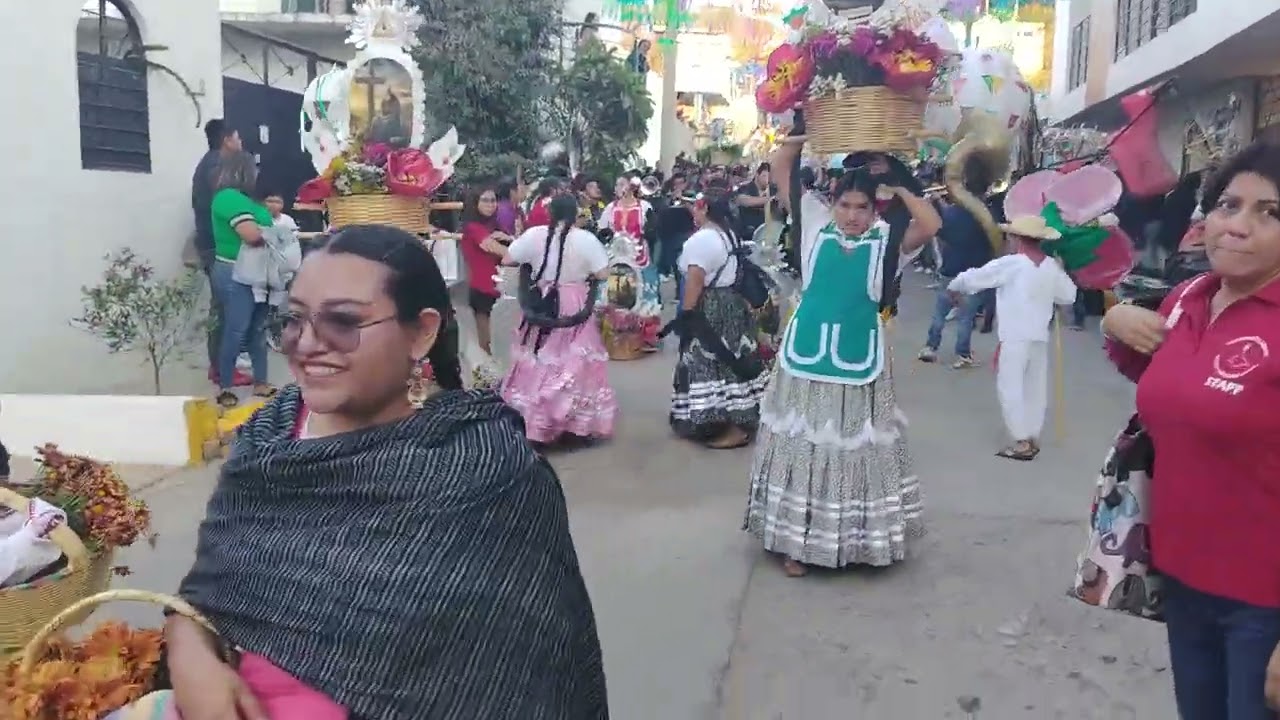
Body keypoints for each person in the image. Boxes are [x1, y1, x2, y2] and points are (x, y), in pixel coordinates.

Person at [163, 224, 608, 720]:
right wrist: (190, 652)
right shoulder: (268, 439)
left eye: (343, 322)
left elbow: (524, 676)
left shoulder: (485, 472)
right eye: (294, 320)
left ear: (421, 332)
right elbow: (209, 595)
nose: (306, 345)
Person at [1102, 142, 1280, 720]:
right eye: (1230, 205)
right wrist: (1116, 319)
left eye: (1270, 212)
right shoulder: (1188, 299)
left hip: (1265, 601)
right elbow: (1161, 386)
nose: (1238, 226)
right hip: (1184, 576)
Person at [744, 132, 941, 578]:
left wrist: (900, 182)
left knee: (854, 447)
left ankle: (852, 542)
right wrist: (802, 127)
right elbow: (781, 167)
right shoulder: (813, 223)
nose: (852, 216)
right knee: (804, 442)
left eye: (862, 208)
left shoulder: (889, 241)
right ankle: (794, 542)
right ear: (832, 203)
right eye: (845, 206)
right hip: (806, 360)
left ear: (876, 209)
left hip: (859, 364)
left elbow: (930, 225)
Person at [948, 215, 1076, 461]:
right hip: (1039, 335)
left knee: (1011, 387)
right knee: (1035, 387)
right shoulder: (1051, 266)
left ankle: (1021, 440)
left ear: (1016, 238)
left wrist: (955, 285)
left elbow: (976, 277)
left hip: (1015, 335)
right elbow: (1068, 296)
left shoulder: (1012, 264)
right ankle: (1031, 434)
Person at [500, 195, 617, 444]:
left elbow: (508, 259)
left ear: (550, 213)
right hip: (573, 301)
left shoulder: (534, 235)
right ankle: (571, 422)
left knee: (538, 357)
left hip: (541, 300)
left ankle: (536, 421)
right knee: (574, 360)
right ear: (575, 214)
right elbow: (602, 273)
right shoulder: (586, 240)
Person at [669, 191, 769, 448]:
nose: (692, 212)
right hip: (731, 303)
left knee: (709, 361)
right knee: (732, 359)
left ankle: (727, 426)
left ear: (703, 208)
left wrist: (687, 314)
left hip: (710, 306)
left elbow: (695, 278)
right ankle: (740, 417)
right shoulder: (727, 234)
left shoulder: (701, 240)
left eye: (695, 207)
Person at [210, 151, 276, 408]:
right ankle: (225, 385)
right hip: (234, 272)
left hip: (259, 272)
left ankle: (261, 381)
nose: (257, 174)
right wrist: (274, 233)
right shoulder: (227, 198)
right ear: (243, 171)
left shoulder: (250, 202)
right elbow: (251, 234)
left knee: (258, 329)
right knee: (236, 330)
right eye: (254, 169)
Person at [918, 171, 996, 368]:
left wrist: (938, 204)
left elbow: (942, 230)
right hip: (975, 273)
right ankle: (962, 354)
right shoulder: (988, 215)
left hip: (950, 268)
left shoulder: (954, 212)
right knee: (966, 317)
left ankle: (930, 347)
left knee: (940, 312)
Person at [192, 120, 250, 386]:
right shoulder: (217, 166)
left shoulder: (211, 163)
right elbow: (226, 204)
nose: (240, 142)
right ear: (227, 139)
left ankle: (219, 366)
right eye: (237, 137)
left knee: (223, 307)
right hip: (217, 247)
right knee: (226, 309)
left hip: (212, 245)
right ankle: (222, 368)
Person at [600, 177, 661, 350]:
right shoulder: (611, 208)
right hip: (615, 257)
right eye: (617, 184)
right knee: (613, 293)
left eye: (622, 184)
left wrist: (649, 231)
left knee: (646, 293)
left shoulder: (644, 207)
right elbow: (602, 230)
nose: (619, 188)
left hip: (640, 257)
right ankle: (614, 333)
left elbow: (653, 231)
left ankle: (647, 336)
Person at [460, 184, 512, 354]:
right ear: (475, 203)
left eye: (493, 200)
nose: (491, 204)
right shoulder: (473, 227)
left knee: (502, 343)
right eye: (485, 200)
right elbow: (498, 250)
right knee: (486, 344)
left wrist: (509, 238)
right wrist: (517, 246)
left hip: (500, 288)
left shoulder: (494, 226)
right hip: (482, 289)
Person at [734, 163, 778, 242]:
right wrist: (769, 199)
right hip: (749, 235)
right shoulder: (744, 189)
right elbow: (745, 201)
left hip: (769, 235)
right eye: (764, 176)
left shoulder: (774, 190)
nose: (767, 180)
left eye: (769, 177)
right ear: (757, 175)